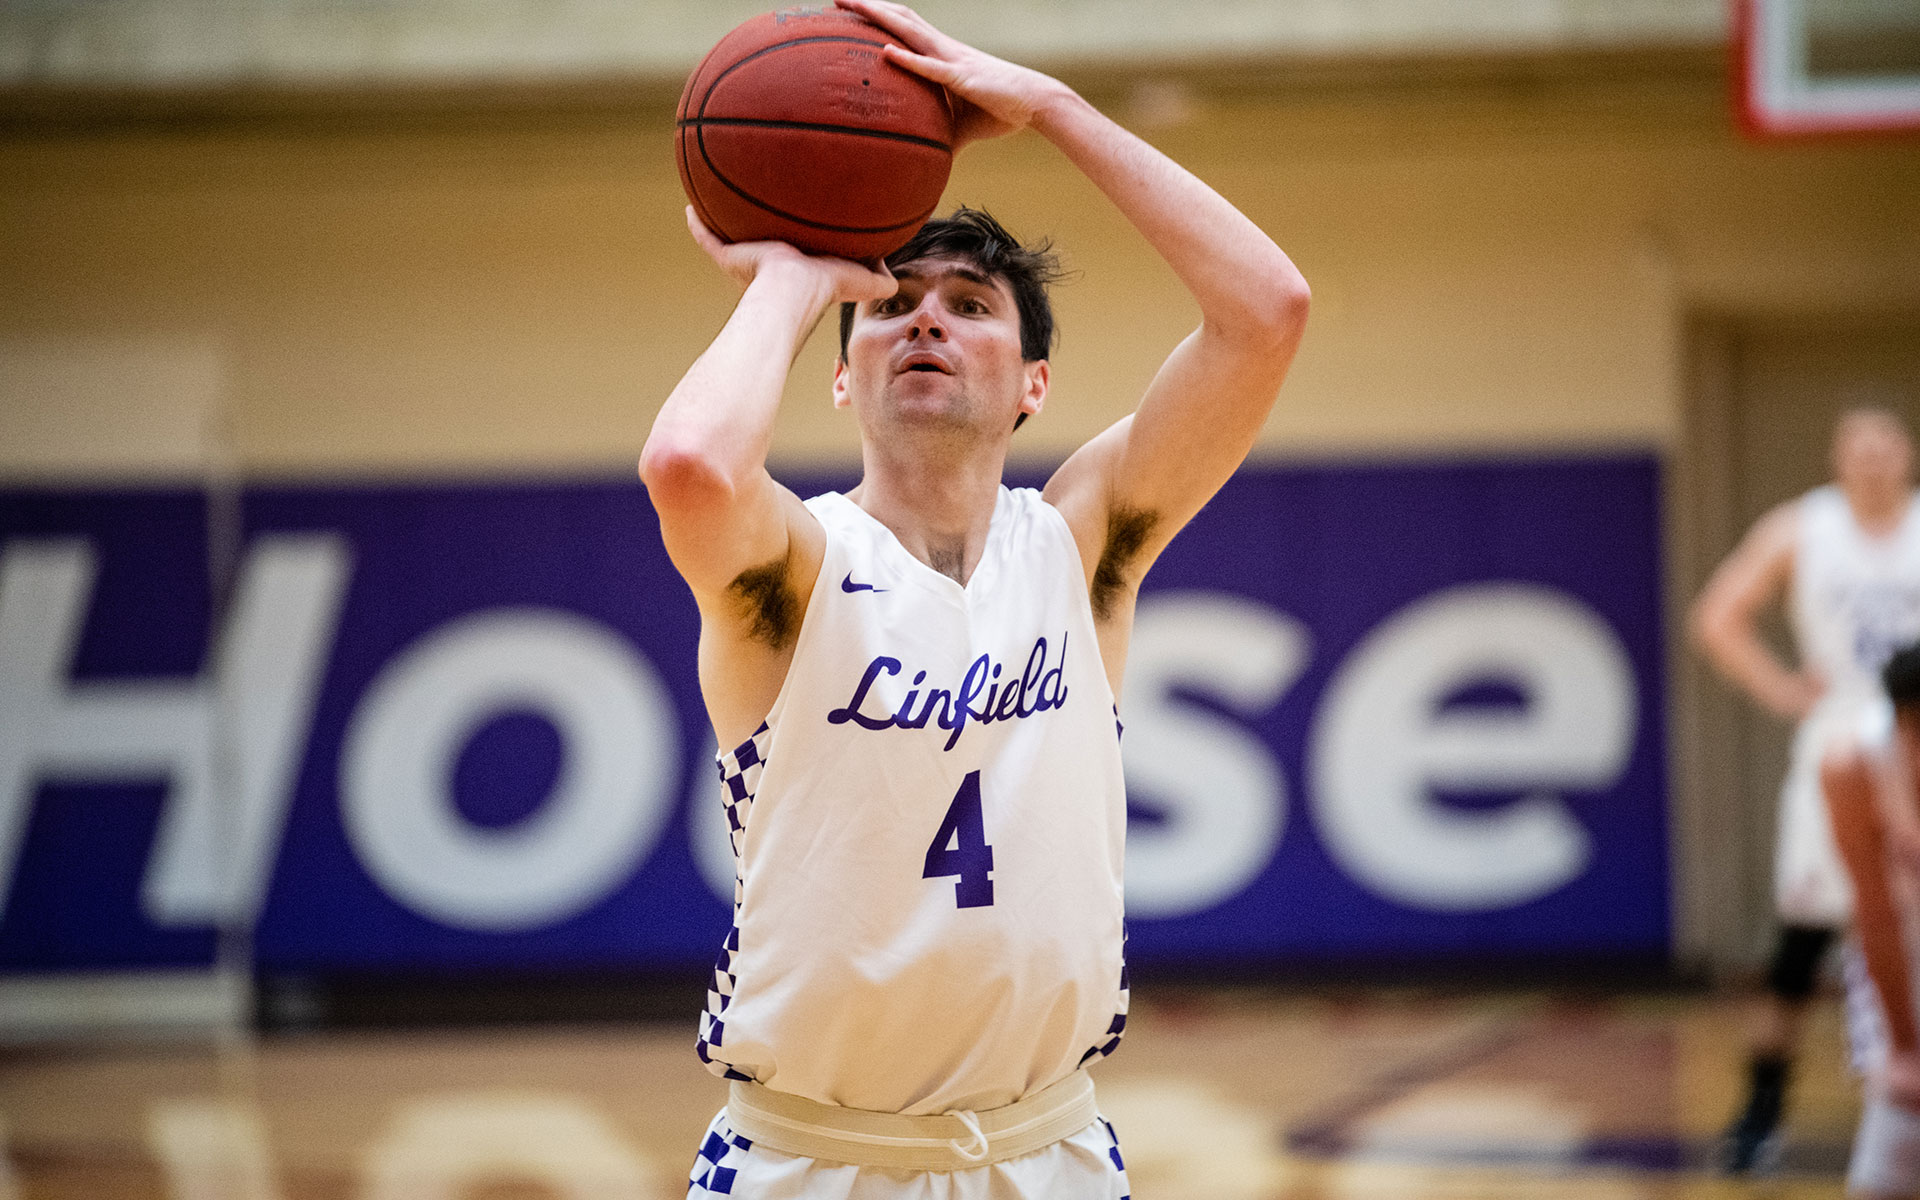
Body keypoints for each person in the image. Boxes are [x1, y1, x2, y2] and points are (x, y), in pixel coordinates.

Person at [639, 0, 1309, 1194]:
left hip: (1047, 1152)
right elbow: (688, 462)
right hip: (811, 1160)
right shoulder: (795, 568)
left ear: (1033, 383)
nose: (927, 320)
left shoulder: (1083, 545)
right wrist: (794, 275)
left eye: (971, 305)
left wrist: (1053, 106)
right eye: (891, 303)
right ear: (841, 377)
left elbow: (1269, 313)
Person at [1692, 406, 1920, 1172]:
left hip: (1916, 734)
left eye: (1887, 447)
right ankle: (1762, 1108)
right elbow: (1716, 616)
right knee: (1805, 935)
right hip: (1842, 727)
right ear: (1837, 459)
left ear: (1908, 456)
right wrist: (1782, 688)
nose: (1874, 461)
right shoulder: (1802, 528)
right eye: (1860, 448)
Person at [1819, 642, 1920, 1199]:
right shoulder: (1853, 765)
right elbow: (1875, 914)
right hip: (1905, 937)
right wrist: (1904, 1046)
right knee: (1897, 1122)